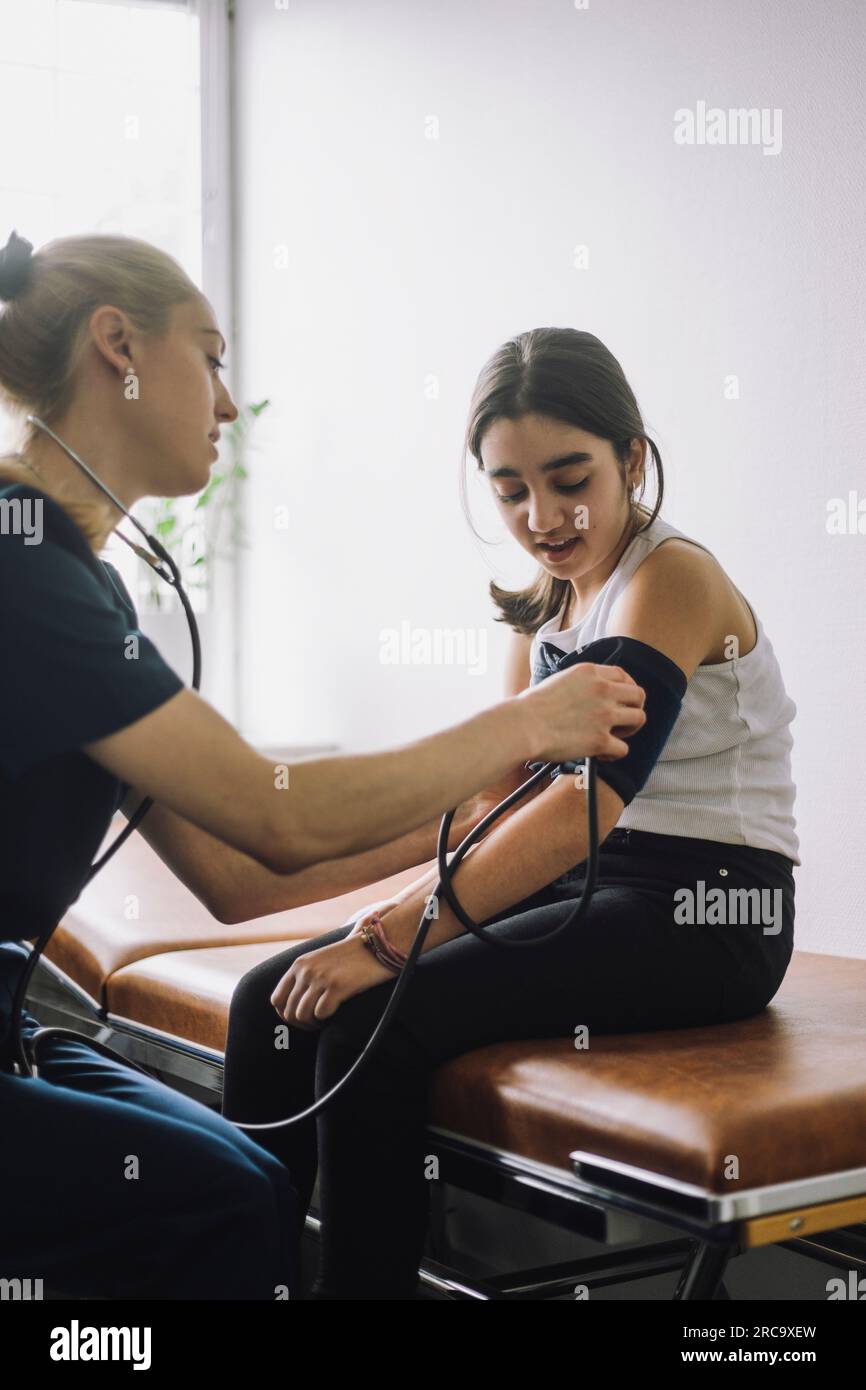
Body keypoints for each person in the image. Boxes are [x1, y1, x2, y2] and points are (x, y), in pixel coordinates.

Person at [0, 233, 644, 1301]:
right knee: (220, 1202)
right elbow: (278, 814)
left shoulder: (72, 581)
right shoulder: (23, 568)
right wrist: (524, 728)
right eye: (209, 358)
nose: (224, 404)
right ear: (118, 346)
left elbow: (246, 876)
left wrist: (481, 808)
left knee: (245, 1182)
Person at [223, 326, 799, 1301]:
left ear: (630, 457)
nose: (541, 514)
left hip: (709, 909)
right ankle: (256, 1281)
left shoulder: (671, 578)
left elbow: (579, 809)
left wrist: (383, 941)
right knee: (264, 1004)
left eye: (568, 475)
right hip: (584, 883)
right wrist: (342, 900)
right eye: (508, 489)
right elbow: (496, 808)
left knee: (375, 1023)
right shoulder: (543, 610)